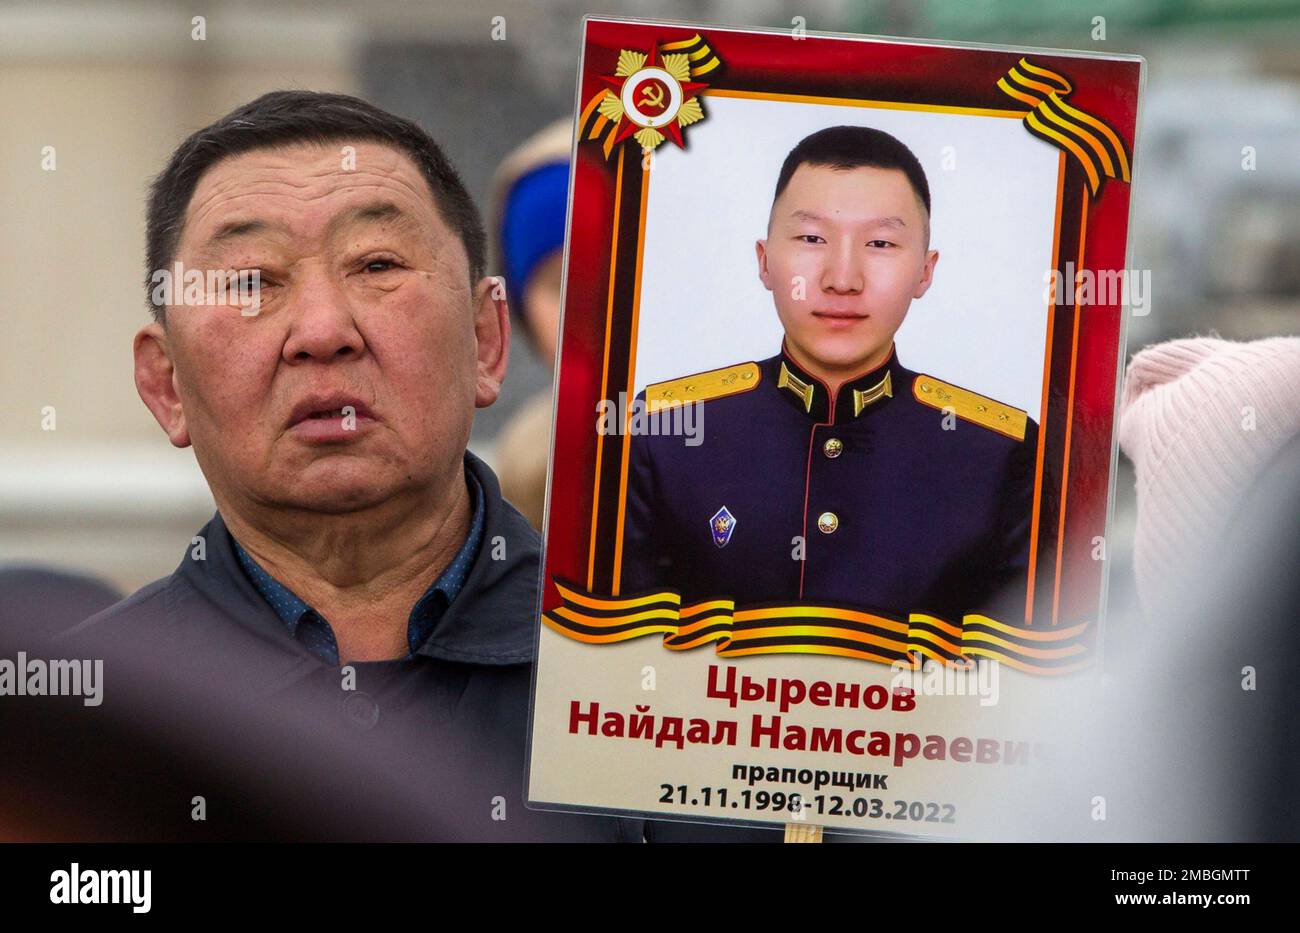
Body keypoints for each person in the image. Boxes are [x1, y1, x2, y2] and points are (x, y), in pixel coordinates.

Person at [62, 90, 641, 841]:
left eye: (376, 263)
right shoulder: (71, 734)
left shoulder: (677, 687)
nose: (324, 330)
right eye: (248, 281)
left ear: (488, 340)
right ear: (166, 383)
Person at [621, 125, 1038, 626]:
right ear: (765, 261)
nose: (843, 279)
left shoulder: (998, 454)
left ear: (925, 272)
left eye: (881, 243)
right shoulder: (667, 432)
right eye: (812, 238)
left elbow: (1025, 681)